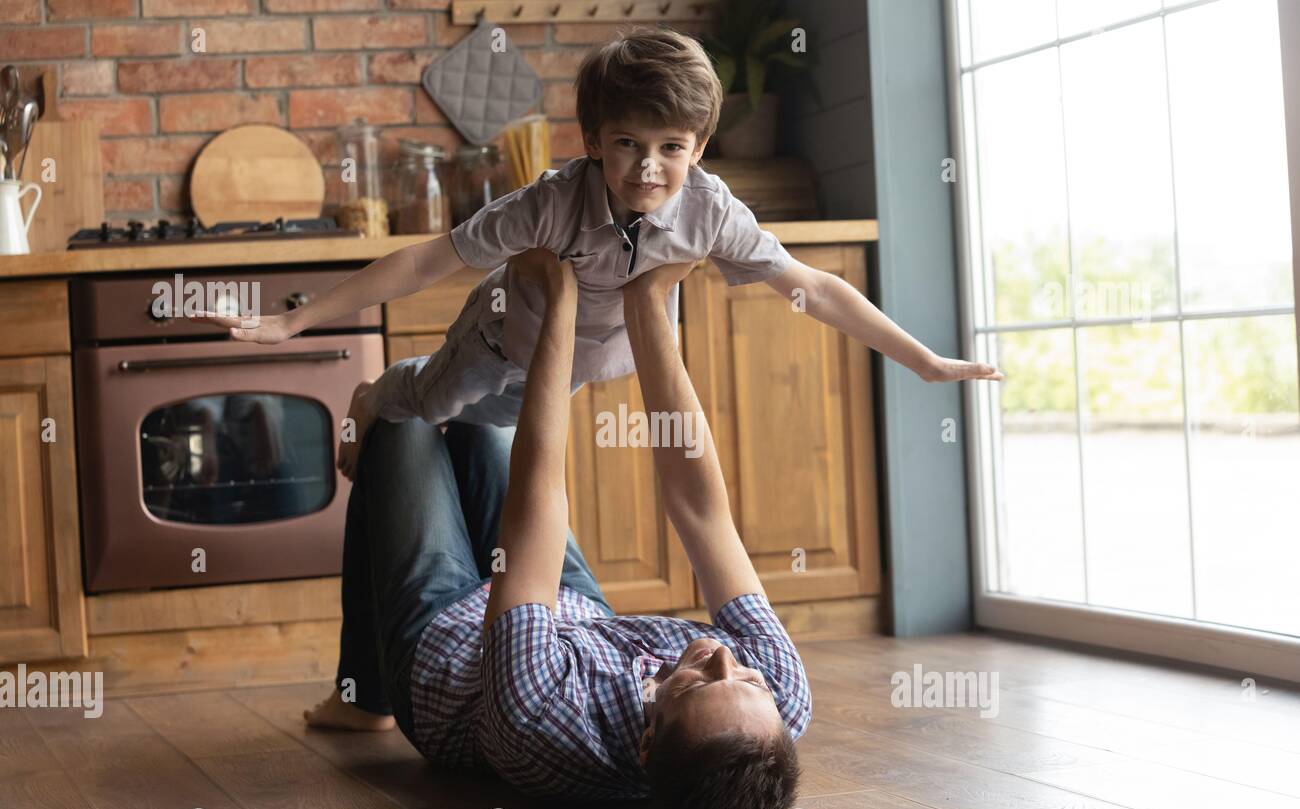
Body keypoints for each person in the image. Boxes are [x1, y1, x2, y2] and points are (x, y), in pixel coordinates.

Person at [193, 28, 1002, 484]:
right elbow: (425, 262)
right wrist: (299, 321)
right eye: (626, 144)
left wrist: (924, 360)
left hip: (578, 366)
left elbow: (815, 289)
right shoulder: (550, 201)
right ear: (591, 142)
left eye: (670, 147)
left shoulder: (711, 211)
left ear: (700, 146)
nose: (647, 167)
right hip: (501, 335)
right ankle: (379, 395)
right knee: (440, 404)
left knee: (494, 434)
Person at [306, 250, 810, 809]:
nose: (725, 658)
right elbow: (704, 513)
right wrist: (650, 303)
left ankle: (368, 695)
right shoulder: (779, 701)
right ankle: (361, 695)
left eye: (701, 682)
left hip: (445, 647)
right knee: (477, 410)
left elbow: (536, 506)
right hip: (574, 613)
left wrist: (559, 306)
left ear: (647, 742)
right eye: (746, 682)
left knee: (402, 421)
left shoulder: (542, 722)